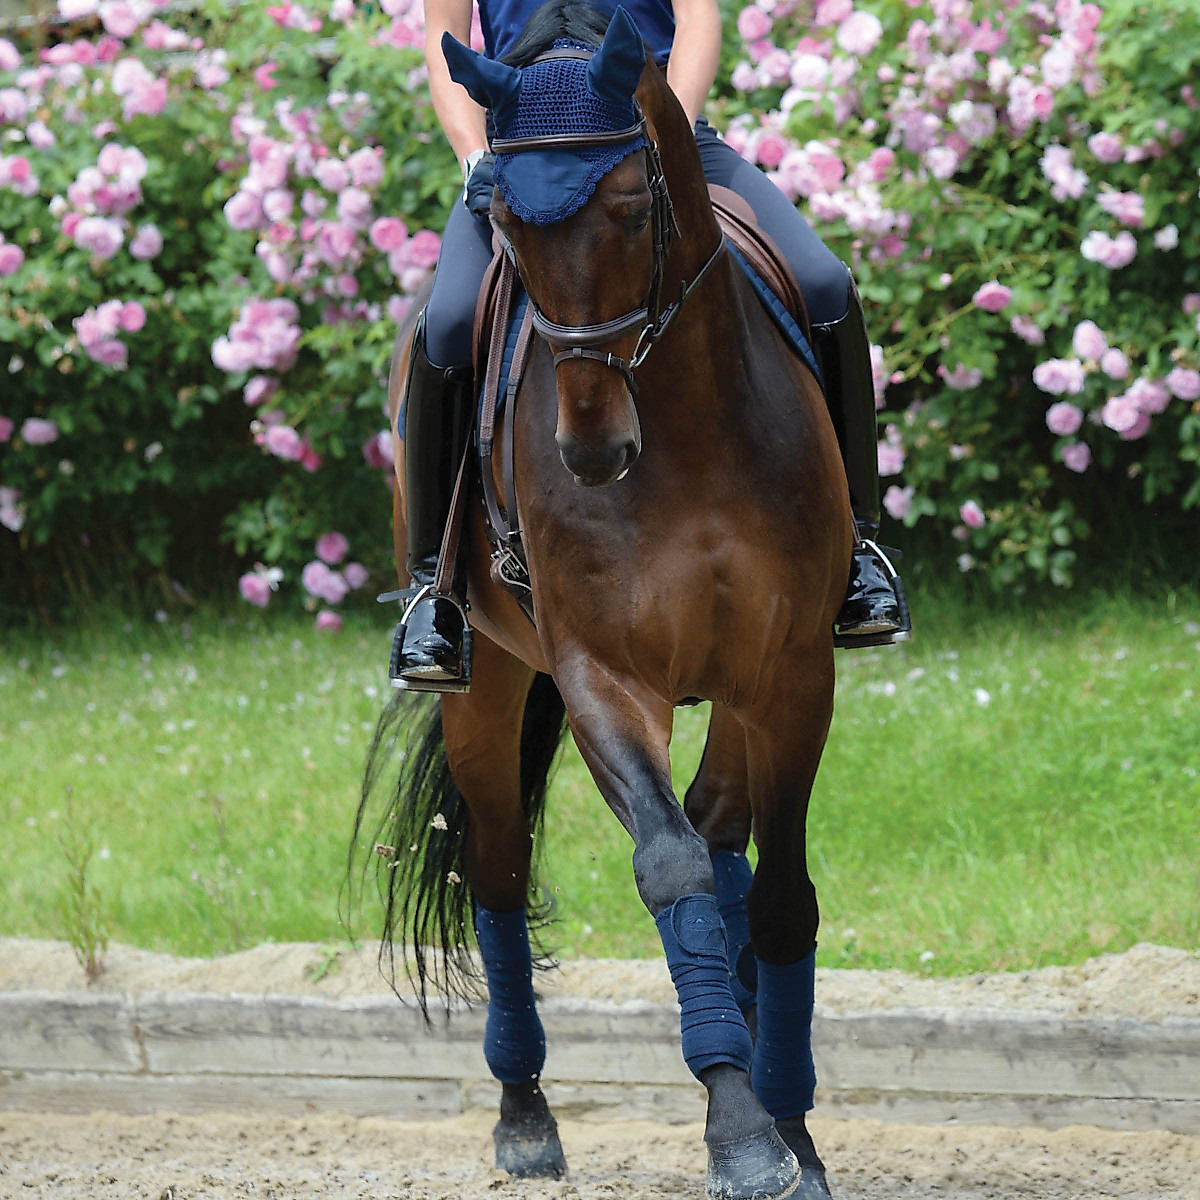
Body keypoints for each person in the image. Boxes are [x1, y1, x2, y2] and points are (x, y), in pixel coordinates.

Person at [393, 0, 909, 690]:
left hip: (659, 132)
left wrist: (670, 131)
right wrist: (474, 157)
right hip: (533, 149)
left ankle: (858, 548)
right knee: (451, 322)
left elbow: (698, 20)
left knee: (822, 285)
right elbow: (443, 39)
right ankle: (436, 590)